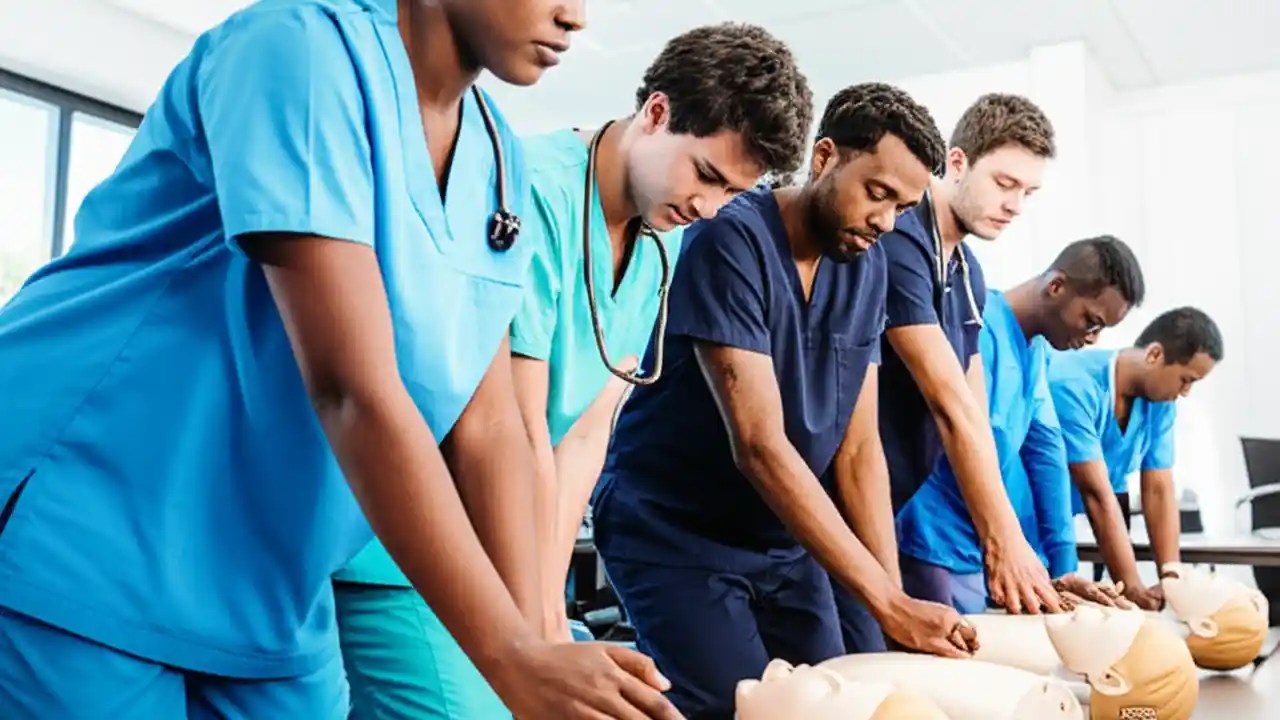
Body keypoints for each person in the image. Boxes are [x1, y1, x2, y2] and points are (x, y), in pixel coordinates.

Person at [0, 1, 683, 719]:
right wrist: (510, 657)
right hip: (91, 523)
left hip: (270, 572)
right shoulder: (296, 51)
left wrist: (540, 645)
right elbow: (352, 389)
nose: (574, 16)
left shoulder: (496, 157)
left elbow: (488, 429)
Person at [333, 22, 813, 719]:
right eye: (706, 175)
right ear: (657, 113)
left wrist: (549, 612)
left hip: (505, 552)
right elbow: (515, 427)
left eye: (731, 195)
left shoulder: (662, 239)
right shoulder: (528, 190)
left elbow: (583, 437)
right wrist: (537, 630)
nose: (707, 208)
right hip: (407, 547)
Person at [592, 83, 980, 720]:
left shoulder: (867, 268)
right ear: (824, 157)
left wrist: (893, 606)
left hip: (784, 544)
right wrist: (889, 603)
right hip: (676, 532)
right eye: (877, 193)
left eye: (903, 208)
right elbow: (759, 446)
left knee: (847, 693)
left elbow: (859, 452)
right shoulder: (731, 239)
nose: (885, 221)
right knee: (740, 707)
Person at [830, 93, 1064, 652]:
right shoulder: (899, 241)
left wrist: (1023, 549)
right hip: (839, 508)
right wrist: (999, 539)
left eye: (1028, 193)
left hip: (885, 506)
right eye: (1005, 183)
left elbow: (974, 412)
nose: (1015, 205)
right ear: (957, 163)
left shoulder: (968, 274)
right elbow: (948, 403)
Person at [895, 236, 1146, 614]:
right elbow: (957, 435)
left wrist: (1064, 566)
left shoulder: (1037, 351)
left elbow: (1047, 454)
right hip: (928, 538)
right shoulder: (975, 326)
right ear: (1056, 286)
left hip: (981, 547)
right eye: (1091, 321)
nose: (1094, 339)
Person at [1048, 307, 1223, 610]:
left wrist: (1171, 577)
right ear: (1154, 354)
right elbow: (1095, 493)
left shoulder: (1160, 402)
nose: (1186, 392)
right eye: (1185, 379)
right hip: (1036, 512)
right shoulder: (1074, 383)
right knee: (1049, 602)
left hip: (1101, 504)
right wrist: (1132, 586)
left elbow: (1158, 488)